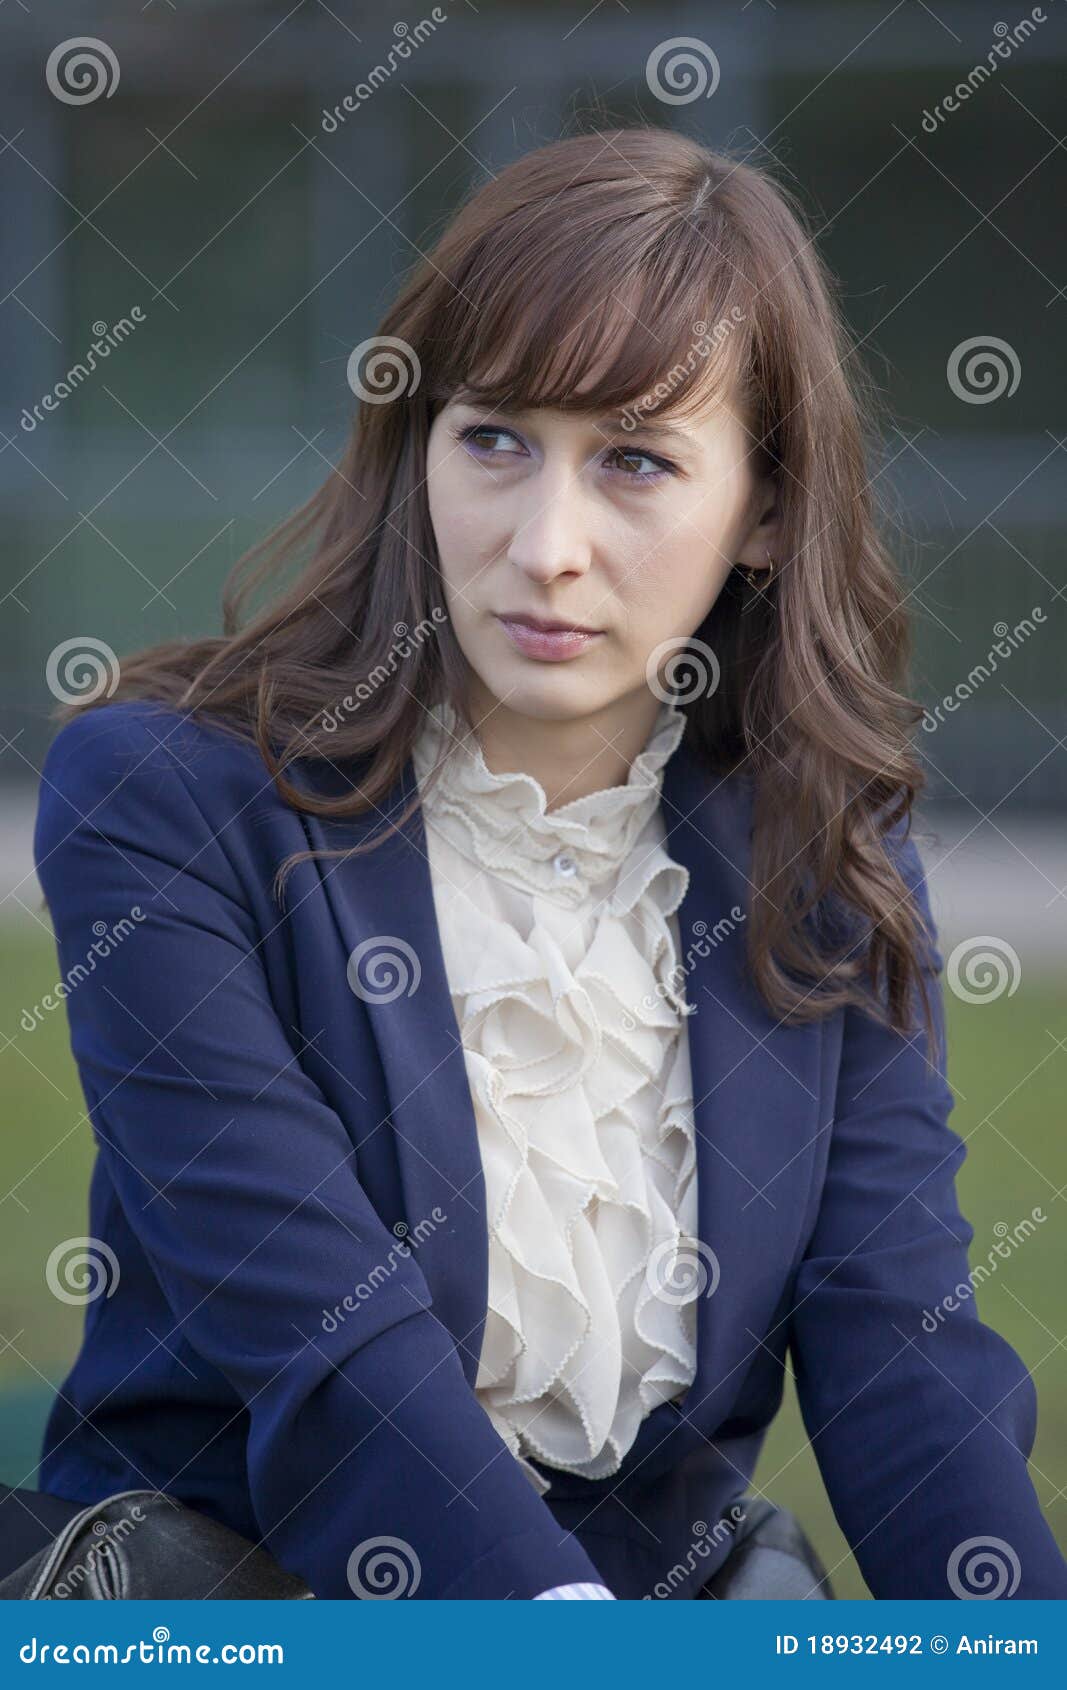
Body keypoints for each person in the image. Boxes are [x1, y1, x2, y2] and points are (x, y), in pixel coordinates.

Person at [24, 126, 1067, 1600]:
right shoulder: (166, 799)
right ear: (420, 442)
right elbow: (334, 1355)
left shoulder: (821, 843)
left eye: (635, 460)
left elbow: (901, 1347)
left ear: (764, 511)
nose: (546, 542)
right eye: (496, 438)